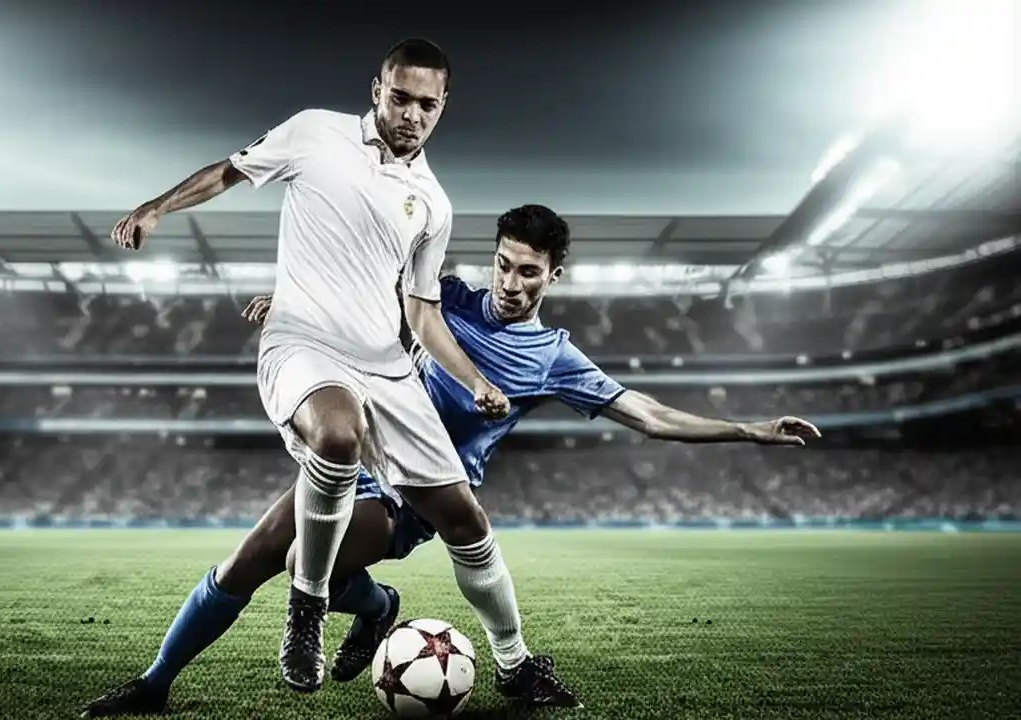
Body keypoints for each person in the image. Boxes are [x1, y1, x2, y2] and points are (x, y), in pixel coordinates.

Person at [82, 204, 821, 717]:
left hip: (418, 496)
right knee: (261, 558)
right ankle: (164, 680)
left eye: (529, 272)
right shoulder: (446, 298)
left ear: (553, 277)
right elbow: (363, 292)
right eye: (504, 265)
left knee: (284, 557)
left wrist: (748, 430)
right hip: (359, 454)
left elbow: (650, 416)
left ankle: (414, 623)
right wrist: (289, 298)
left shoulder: (555, 358)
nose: (511, 282)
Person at [91, 38, 566, 713]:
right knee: (335, 441)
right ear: (377, 87)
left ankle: (512, 665)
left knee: (466, 520)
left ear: (443, 105)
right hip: (304, 346)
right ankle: (294, 614)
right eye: (400, 97)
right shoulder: (314, 131)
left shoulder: (433, 202)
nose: (411, 114)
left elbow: (423, 314)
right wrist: (157, 208)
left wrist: (473, 382)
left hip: (386, 369)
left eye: (427, 104)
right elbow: (229, 170)